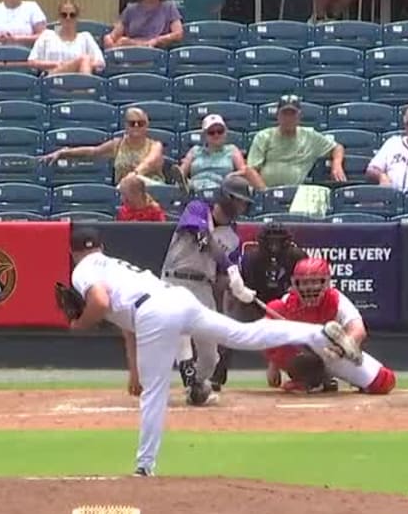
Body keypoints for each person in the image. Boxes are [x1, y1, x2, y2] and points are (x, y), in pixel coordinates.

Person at [64, 226, 362, 477]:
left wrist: (79, 324)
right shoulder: (113, 264)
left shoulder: (82, 269)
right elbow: (125, 323)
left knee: (155, 392)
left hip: (153, 312)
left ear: (72, 252)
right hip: (177, 298)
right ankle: (317, 332)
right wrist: (134, 368)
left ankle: (144, 467)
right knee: (243, 334)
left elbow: (100, 304)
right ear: (102, 247)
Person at [159, 173, 261, 406]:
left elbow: (224, 276)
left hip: (203, 287)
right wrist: (231, 268)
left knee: (210, 357)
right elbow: (205, 239)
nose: (242, 206)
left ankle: (196, 389)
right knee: (182, 337)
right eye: (239, 200)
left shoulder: (234, 236)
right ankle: (188, 383)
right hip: (174, 281)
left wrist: (238, 287)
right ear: (226, 197)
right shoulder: (197, 209)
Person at [262, 256, 397, 396]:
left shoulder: (337, 301)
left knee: (383, 381)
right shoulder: (285, 304)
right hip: (302, 353)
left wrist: (344, 346)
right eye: (304, 283)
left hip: (333, 353)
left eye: (314, 282)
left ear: (325, 283)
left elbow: (358, 329)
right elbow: (276, 340)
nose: (309, 288)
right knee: (271, 320)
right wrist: (273, 366)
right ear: (295, 284)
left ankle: (326, 378)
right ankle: (307, 380)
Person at [210, 220, 306, 392]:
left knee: (304, 331)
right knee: (229, 331)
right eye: (271, 242)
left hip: (284, 306)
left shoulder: (297, 257)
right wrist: (244, 295)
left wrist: (274, 363)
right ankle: (215, 377)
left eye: (278, 242)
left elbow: (302, 291)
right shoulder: (251, 258)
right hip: (251, 302)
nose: (274, 247)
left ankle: (307, 375)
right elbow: (239, 287)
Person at [41, 106, 163, 184]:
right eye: (132, 123)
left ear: (147, 125)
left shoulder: (155, 146)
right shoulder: (117, 144)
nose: (136, 126)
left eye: (140, 123)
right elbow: (93, 151)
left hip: (151, 191)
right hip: (125, 194)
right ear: (125, 126)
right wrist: (64, 152)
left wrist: (134, 175)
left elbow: (149, 163)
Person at [247, 94, 347, 188]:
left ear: (299, 116)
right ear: (277, 115)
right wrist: (265, 192)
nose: (288, 118)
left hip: (296, 193)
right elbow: (251, 170)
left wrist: (337, 164)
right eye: (285, 113)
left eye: (292, 114)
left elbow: (337, 148)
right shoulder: (263, 136)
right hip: (265, 191)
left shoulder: (310, 136)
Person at [179, 114, 259, 195]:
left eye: (220, 131)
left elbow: (243, 171)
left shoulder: (232, 150)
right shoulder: (194, 151)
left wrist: (231, 176)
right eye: (211, 132)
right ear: (204, 135)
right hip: (195, 190)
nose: (216, 135)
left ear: (225, 133)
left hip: (222, 193)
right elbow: (180, 174)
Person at [25, 0, 104, 75]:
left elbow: (100, 63)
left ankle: (82, 85)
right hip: (52, 78)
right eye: (64, 15)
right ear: (59, 17)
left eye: (72, 15)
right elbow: (32, 62)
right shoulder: (47, 35)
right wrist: (57, 64)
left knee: (84, 59)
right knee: (84, 59)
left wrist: (77, 65)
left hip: (76, 78)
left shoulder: (85, 37)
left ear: (77, 18)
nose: (68, 18)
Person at [103, 0, 183, 49]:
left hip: (156, 50)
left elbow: (178, 34)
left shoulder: (169, 7)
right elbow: (114, 35)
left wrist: (158, 40)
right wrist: (108, 39)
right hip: (132, 50)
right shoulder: (130, 10)